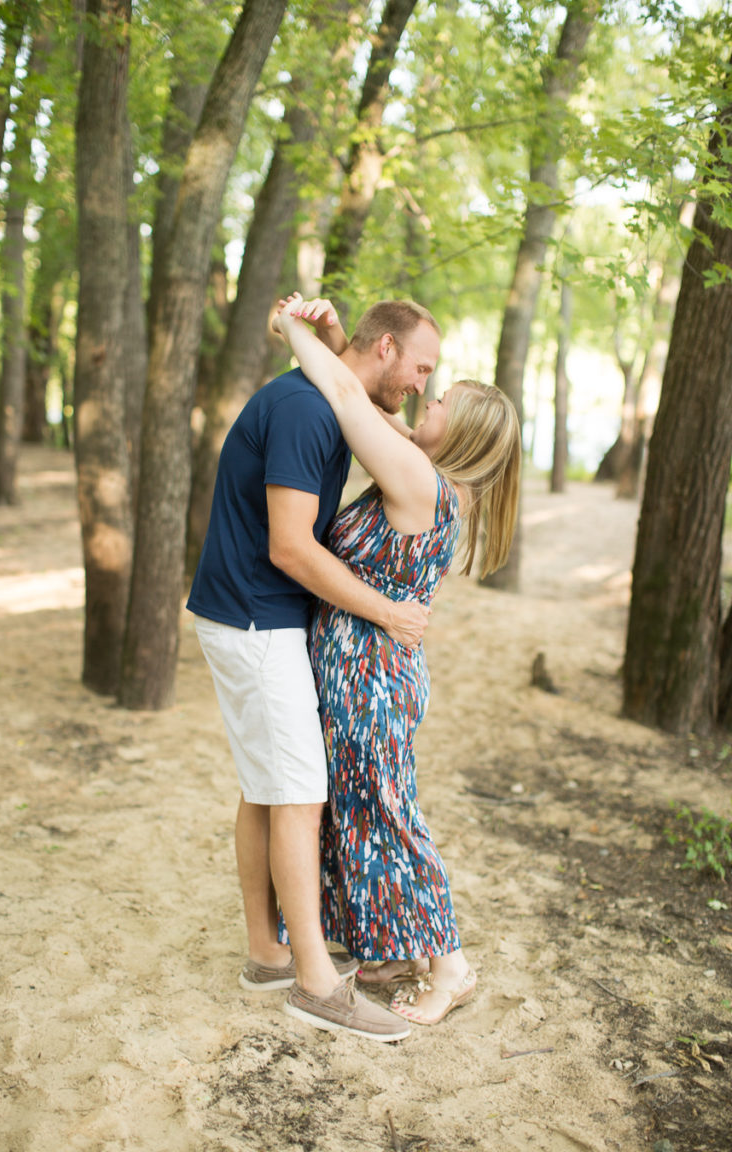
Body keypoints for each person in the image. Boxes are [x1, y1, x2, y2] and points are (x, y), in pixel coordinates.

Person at [187, 297, 443, 1041]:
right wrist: (388, 613)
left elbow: (402, 443)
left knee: (269, 788)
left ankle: (270, 953)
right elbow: (291, 548)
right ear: (387, 348)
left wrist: (325, 342)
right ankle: (314, 983)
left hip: (255, 614)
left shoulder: (330, 398)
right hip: (254, 616)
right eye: (420, 367)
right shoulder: (305, 410)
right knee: (298, 792)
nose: (422, 386)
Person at [273, 294, 521, 1026]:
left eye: (441, 396)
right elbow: (360, 397)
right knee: (359, 809)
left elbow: (348, 394)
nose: (427, 396)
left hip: (374, 679)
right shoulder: (426, 471)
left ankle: (452, 967)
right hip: (367, 672)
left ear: (461, 429)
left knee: (387, 813)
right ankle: (383, 946)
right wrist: (328, 335)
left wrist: (289, 328)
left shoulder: (419, 482)